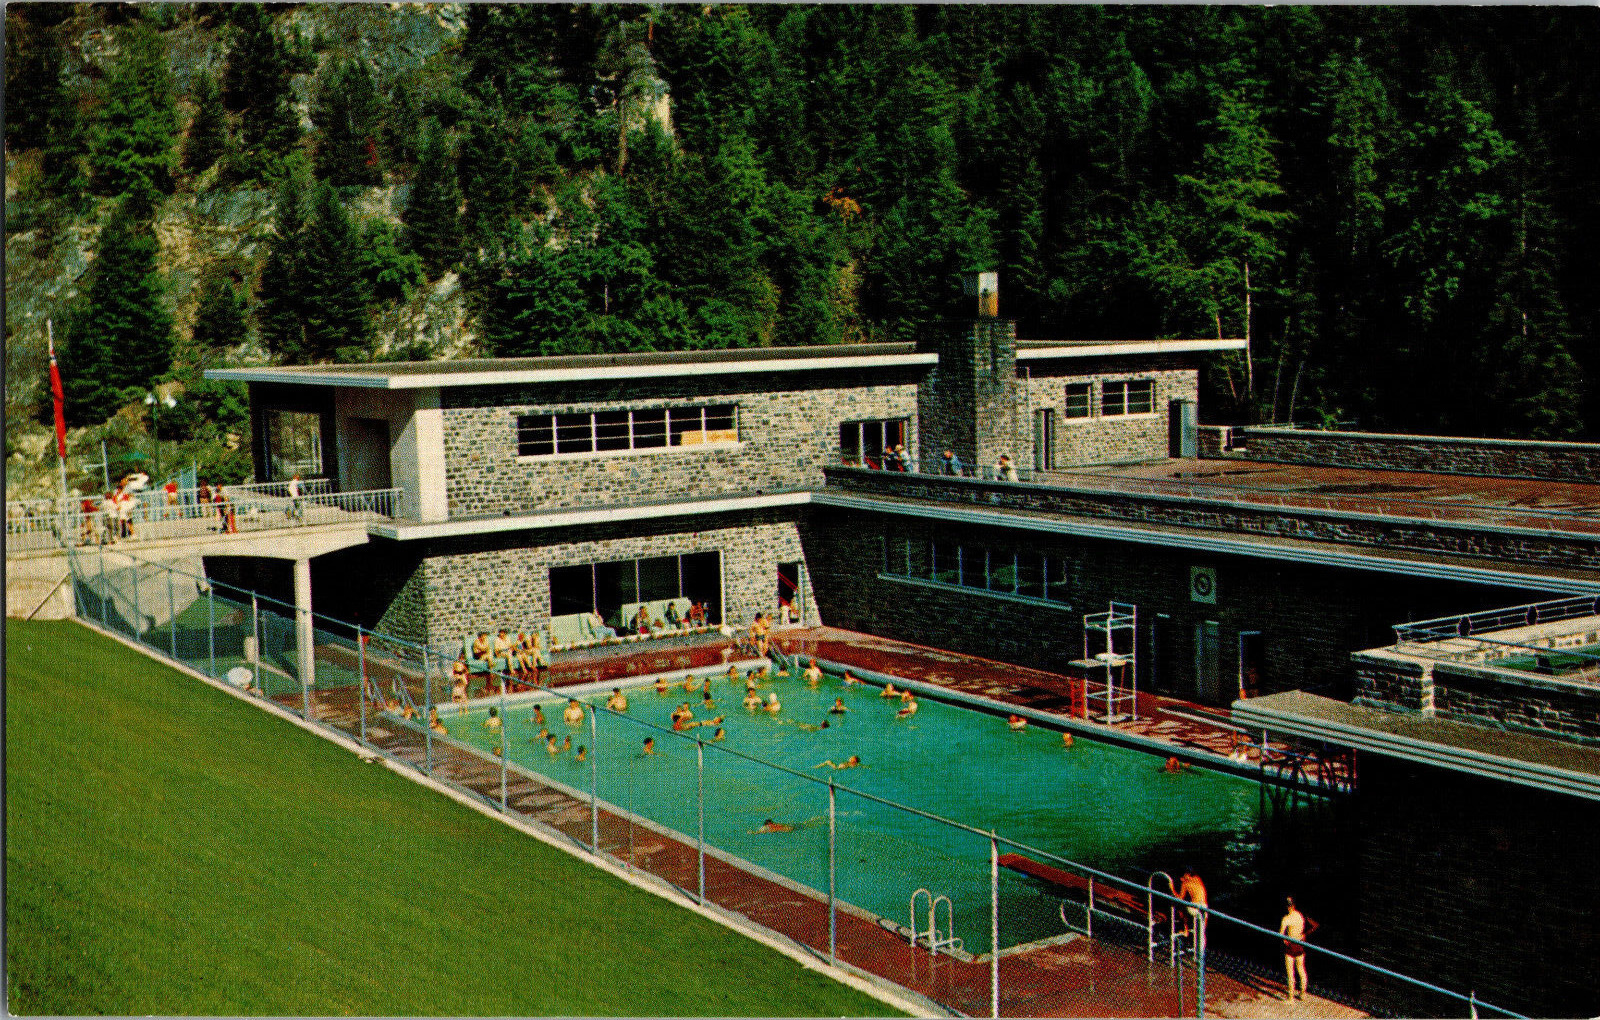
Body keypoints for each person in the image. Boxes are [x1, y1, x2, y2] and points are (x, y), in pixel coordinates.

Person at [1279, 897, 1319, 1001]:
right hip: (1298, 944)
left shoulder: (1288, 918)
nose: (1289, 908)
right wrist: (1304, 934)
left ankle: (1293, 997)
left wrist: (1285, 940)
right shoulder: (1299, 916)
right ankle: (1300, 994)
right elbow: (1314, 926)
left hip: (1293, 945)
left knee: (1292, 972)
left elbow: (1281, 934)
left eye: (1289, 906)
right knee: (1299, 970)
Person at [1168, 866, 1208, 953]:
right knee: (1201, 930)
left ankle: (1185, 929)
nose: (1181, 879)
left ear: (1187, 874)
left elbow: (1180, 898)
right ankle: (1201, 951)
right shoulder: (1198, 879)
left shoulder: (1185, 884)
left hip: (1195, 909)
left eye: (1182, 876)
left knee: (1181, 907)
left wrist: (1172, 889)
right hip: (1204, 907)